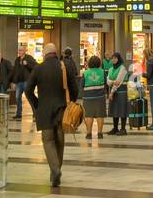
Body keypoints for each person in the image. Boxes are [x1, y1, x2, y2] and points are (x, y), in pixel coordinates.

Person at [23, 43, 80, 188]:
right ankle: (56, 170)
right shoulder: (64, 66)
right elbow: (74, 88)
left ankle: (54, 170)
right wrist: (71, 103)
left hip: (44, 110)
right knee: (60, 141)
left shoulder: (38, 68)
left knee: (48, 141)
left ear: (45, 54)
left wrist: (37, 105)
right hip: (62, 109)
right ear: (56, 53)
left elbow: (28, 90)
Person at [80, 55, 108, 140]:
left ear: (89, 63)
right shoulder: (102, 72)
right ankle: (100, 133)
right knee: (100, 115)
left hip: (88, 97)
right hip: (100, 96)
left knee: (89, 115)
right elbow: (106, 83)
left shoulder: (85, 73)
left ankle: (89, 133)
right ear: (99, 63)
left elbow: (81, 85)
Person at [106, 52, 129, 135]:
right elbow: (108, 81)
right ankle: (115, 128)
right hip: (114, 92)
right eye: (113, 58)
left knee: (122, 110)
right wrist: (112, 82)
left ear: (119, 59)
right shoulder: (111, 68)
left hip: (121, 92)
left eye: (115, 58)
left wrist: (111, 92)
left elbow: (118, 82)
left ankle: (123, 129)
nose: (114, 59)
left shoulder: (122, 68)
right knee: (114, 110)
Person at [10, 46, 36, 120]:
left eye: (21, 50)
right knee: (17, 97)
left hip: (26, 81)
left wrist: (27, 64)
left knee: (29, 97)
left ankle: (35, 113)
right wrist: (13, 82)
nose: (19, 52)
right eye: (19, 50)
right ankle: (18, 114)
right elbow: (15, 71)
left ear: (25, 51)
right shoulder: (17, 59)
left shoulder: (29, 58)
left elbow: (35, 66)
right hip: (19, 82)